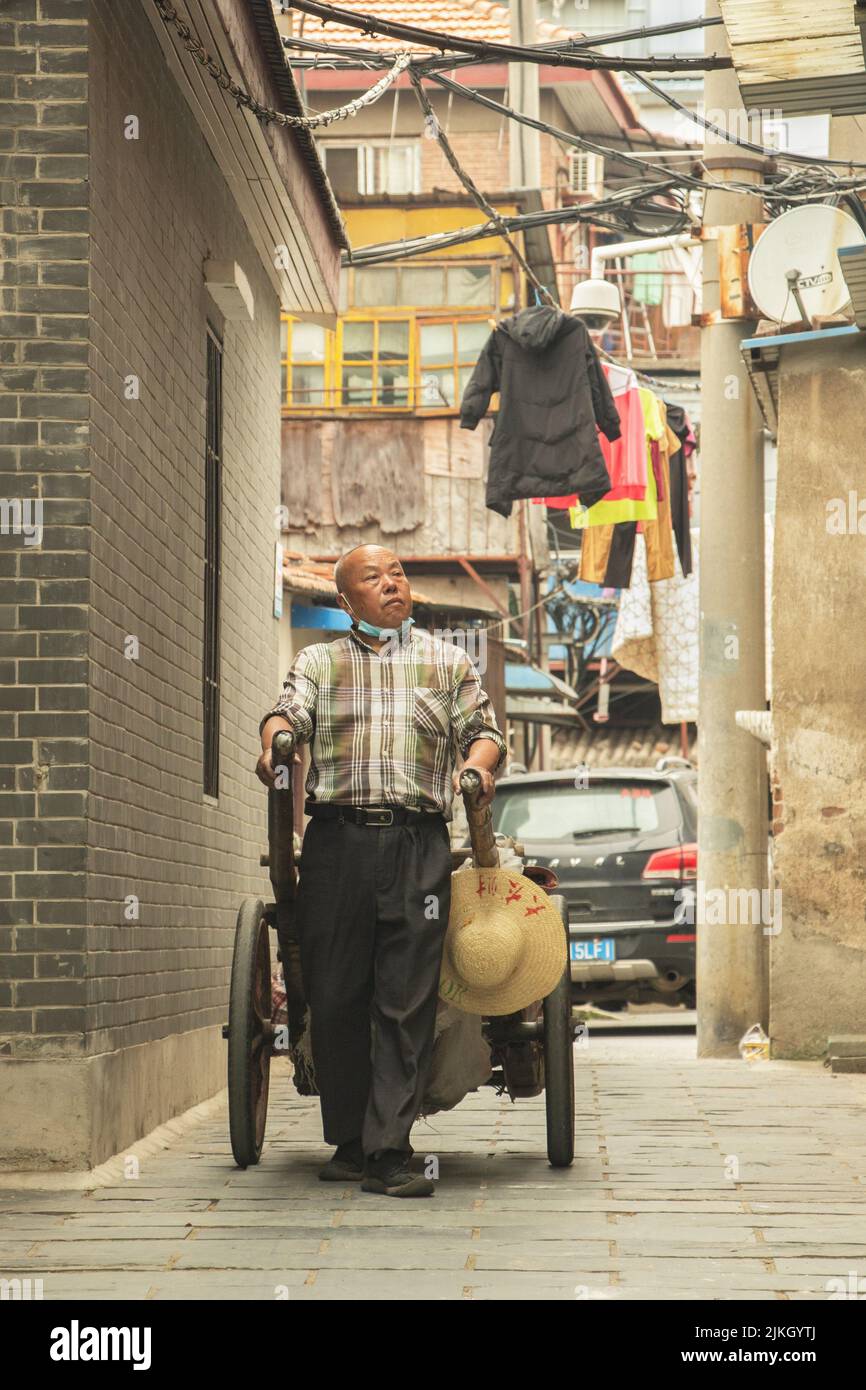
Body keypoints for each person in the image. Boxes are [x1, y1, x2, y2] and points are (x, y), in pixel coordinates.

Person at [257, 544, 506, 1197]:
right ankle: (348, 1140)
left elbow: (484, 731)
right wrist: (275, 743)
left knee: (406, 996)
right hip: (337, 844)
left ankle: (390, 1149)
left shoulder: (447, 662)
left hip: (419, 843)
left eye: (397, 572)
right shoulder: (319, 661)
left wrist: (477, 765)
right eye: (373, 578)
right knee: (335, 995)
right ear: (346, 601)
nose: (392, 583)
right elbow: (289, 714)